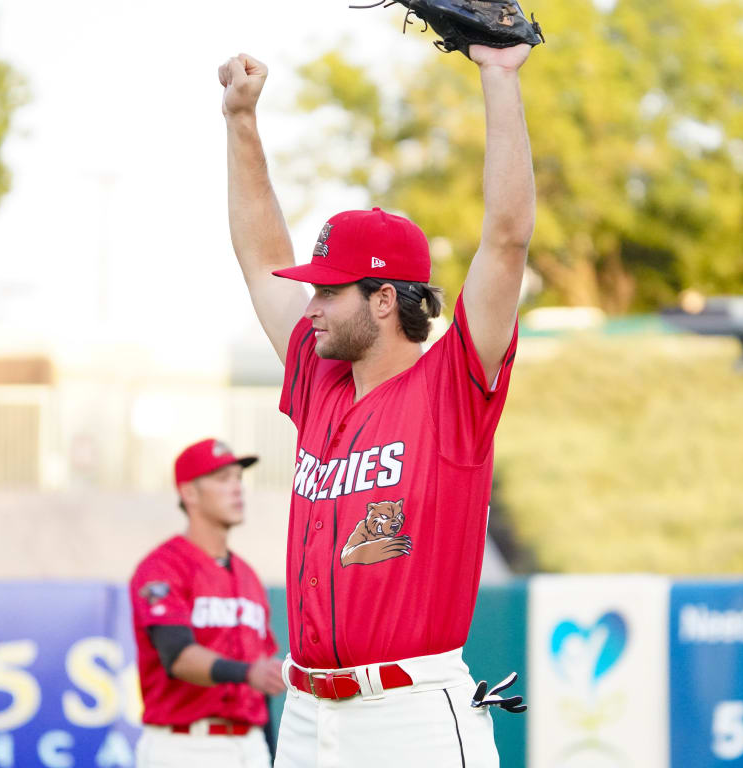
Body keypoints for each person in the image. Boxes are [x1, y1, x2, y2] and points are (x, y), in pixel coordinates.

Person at [218, 38, 534, 768]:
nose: (314, 304)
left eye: (331, 289)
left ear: (386, 299)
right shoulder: (319, 379)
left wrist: (499, 76)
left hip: (411, 714)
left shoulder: (452, 386)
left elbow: (508, 238)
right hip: (304, 714)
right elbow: (260, 261)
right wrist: (240, 123)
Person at [128, 438, 287, 768]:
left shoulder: (248, 576)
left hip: (251, 744)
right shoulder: (162, 568)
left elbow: (259, 681)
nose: (236, 489)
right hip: (185, 745)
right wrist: (247, 672)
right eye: (222, 478)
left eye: (238, 478)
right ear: (189, 493)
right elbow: (178, 657)